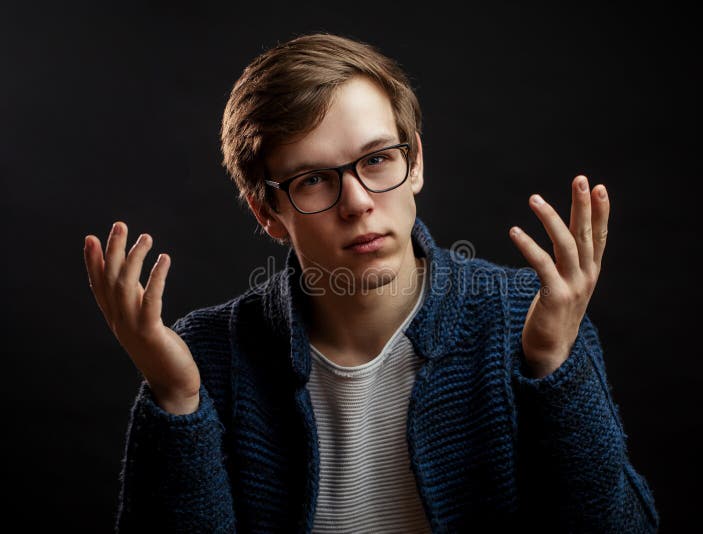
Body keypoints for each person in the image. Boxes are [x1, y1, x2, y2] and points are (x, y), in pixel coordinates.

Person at [83, 32, 660, 533]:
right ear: (267, 213)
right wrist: (178, 402)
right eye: (313, 178)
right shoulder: (209, 355)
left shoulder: (527, 317)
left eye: (378, 159)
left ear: (417, 163)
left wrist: (553, 366)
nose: (357, 202)